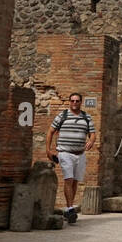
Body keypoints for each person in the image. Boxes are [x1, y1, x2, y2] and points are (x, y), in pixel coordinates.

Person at [47, 91, 96, 224]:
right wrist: (48, 149)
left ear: (81, 102)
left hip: (79, 154)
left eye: (77, 101)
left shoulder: (86, 117)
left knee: (75, 181)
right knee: (68, 179)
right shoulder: (62, 116)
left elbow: (92, 133)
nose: (74, 103)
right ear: (70, 102)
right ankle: (69, 208)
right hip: (65, 153)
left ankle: (70, 207)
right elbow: (50, 132)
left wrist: (91, 141)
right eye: (72, 101)